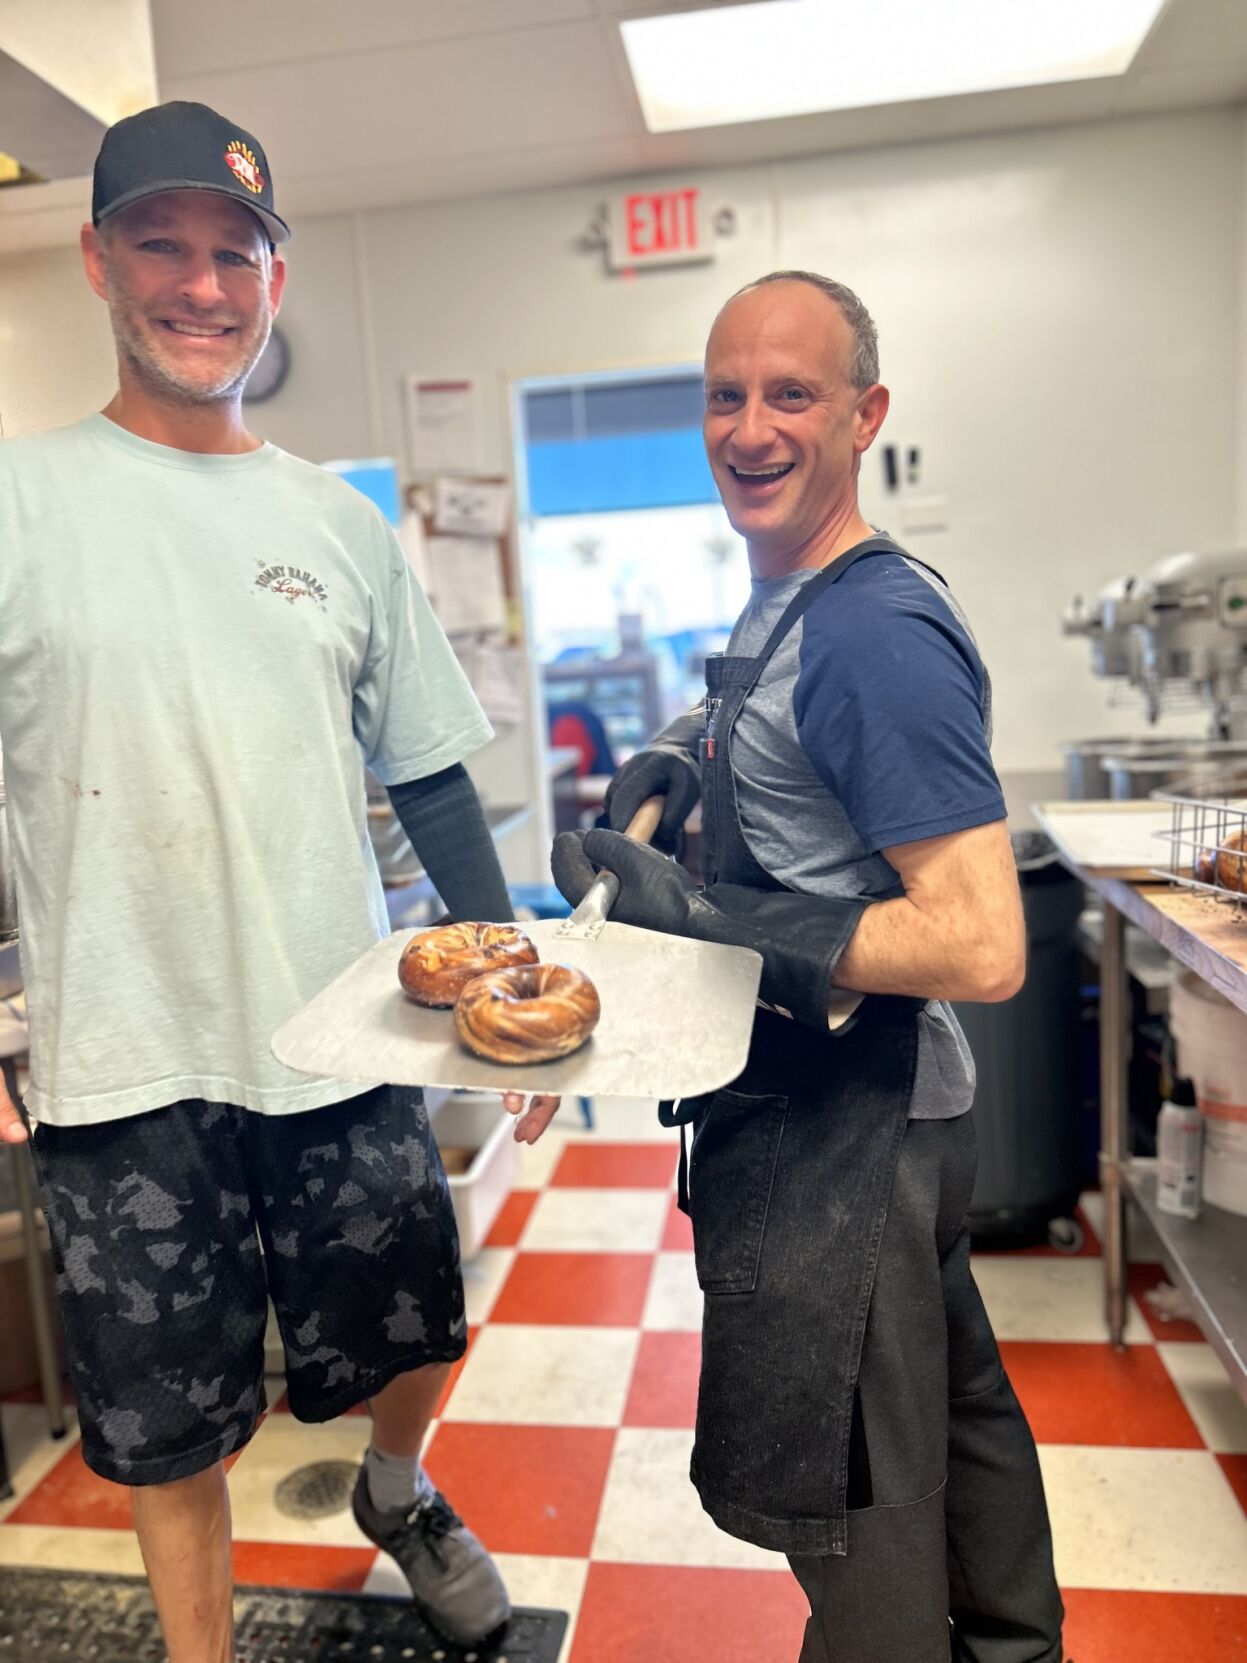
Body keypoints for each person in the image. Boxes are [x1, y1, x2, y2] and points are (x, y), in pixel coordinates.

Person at [0, 100, 560, 1663]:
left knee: (412, 1322)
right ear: (101, 261)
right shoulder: (19, 502)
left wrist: (512, 978)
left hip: (344, 1027)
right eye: (162, 247)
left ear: (277, 273)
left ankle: (398, 1485)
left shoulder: (338, 522)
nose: (202, 284)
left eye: (233, 251)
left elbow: (432, 769)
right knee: (169, 1424)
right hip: (121, 1059)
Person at [552, 272, 1066, 1662]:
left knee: (865, 1515)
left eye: (792, 395)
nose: (752, 427)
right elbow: (767, 746)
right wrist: (666, 777)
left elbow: (978, 941)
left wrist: (712, 922)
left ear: (865, 414)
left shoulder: (867, 628)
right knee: (944, 1430)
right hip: (854, 1122)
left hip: (860, 1139)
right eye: (727, 395)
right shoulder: (793, 595)